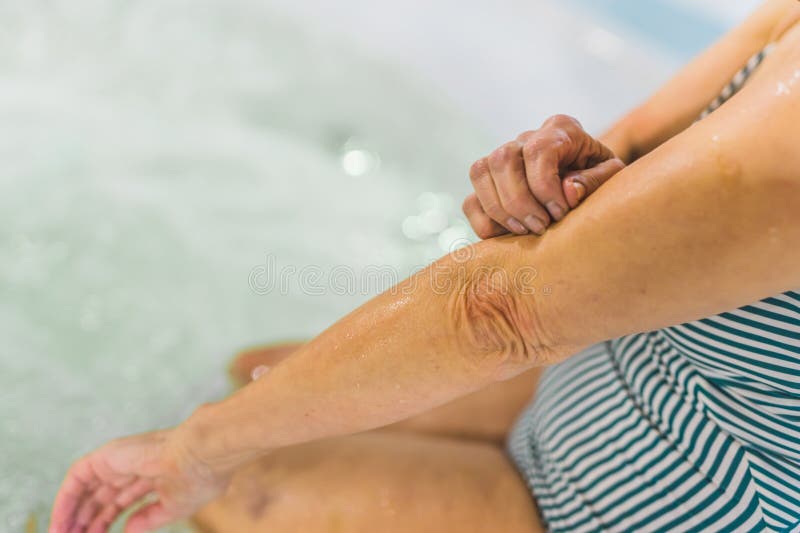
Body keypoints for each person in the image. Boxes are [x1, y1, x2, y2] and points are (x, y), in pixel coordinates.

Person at [51, 0, 800, 531]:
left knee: (218, 491)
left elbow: (503, 312)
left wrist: (197, 451)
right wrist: (563, 178)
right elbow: (634, 140)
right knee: (251, 380)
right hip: (619, 380)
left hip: (648, 501)